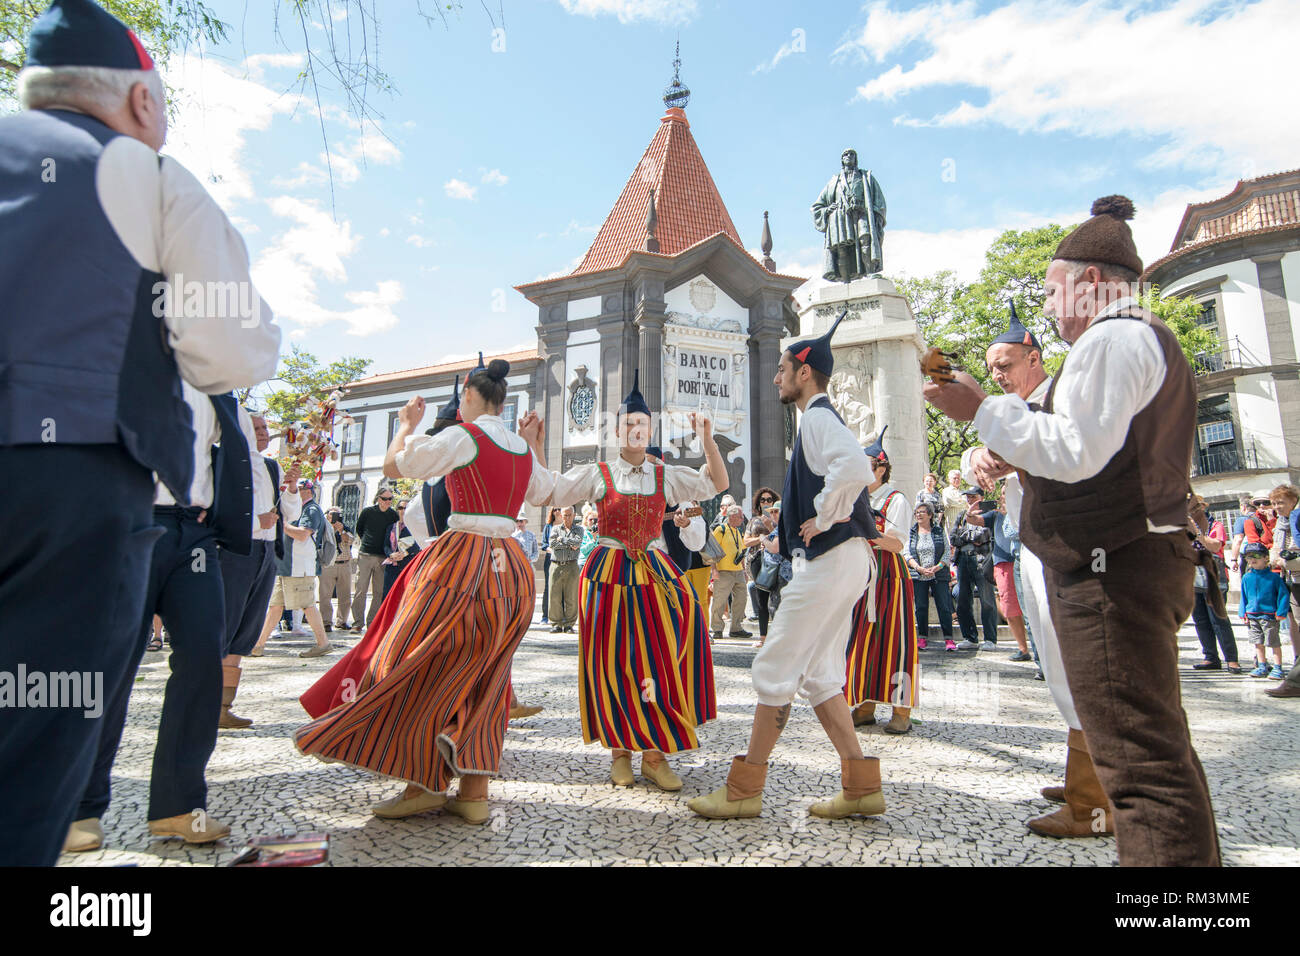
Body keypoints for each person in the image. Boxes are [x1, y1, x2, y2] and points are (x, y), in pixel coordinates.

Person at [0, 0, 282, 865]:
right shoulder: (151, 177)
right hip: (77, 483)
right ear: (144, 103)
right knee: (36, 731)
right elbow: (232, 348)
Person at [928, 195, 1219, 865]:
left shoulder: (1113, 338)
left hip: (1111, 567)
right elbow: (1085, 447)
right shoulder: (1132, 339)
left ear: (1089, 283)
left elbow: (1077, 452)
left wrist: (983, 409)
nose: (1052, 310)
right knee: (1157, 750)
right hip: (1125, 558)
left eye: (1054, 292)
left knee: (1139, 769)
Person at [296, 359, 554, 824]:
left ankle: (422, 781)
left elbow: (398, 464)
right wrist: (533, 445)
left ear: (470, 399)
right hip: (512, 570)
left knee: (411, 657)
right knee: (489, 672)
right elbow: (545, 493)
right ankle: (474, 792)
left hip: (461, 561)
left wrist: (406, 425)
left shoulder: (463, 435)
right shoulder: (519, 446)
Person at [690, 312, 887, 821]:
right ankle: (861, 784)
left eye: (781, 369)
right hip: (844, 561)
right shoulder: (816, 420)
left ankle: (743, 791)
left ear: (804, 372)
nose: (776, 377)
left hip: (831, 559)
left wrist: (823, 516)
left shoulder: (819, 418)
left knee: (775, 666)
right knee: (820, 675)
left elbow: (857, 467)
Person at [66, 386, 252, 853]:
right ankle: (80, 807)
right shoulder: (120, 358)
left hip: (193, 531)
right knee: (109, 668)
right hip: (124, 522)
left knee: (202, 664)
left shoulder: (218, 384)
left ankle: (177, 805)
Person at [525, 373, 727, 789]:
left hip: (655, 572)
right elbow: (545, 494)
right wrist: (535, 446)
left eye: (643, 426)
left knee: (659, 658)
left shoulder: (665, 475)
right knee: (613, 660)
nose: (636, 432)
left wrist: (707, 439)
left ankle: (654, 755)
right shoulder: (597, 473)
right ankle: (620, 752)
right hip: (607, 574)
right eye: (629, 425)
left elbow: (716, 484)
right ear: (616, 431)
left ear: (648, 432)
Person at [959, 307, 1112, 839]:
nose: (997, 375)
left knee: (1077, 662)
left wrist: (1014, 454)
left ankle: (1095, 800)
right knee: (1054, 658)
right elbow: (974, 459)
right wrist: (979, 455)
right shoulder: (1014, 407)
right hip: (1031, 540)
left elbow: (1072, 458)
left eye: (1005, 364)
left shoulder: (1060, 399)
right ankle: (1084, 775)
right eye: (991, 368)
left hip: (1066, 543)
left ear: (1034, 357)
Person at [845, 427, 919, 735]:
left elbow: (897, 543)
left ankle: (901, 710)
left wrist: (864, 532)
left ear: (882, 467)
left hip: (890, 578)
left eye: (867, 466)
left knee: (896, 643)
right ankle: (865, 705)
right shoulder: (855, 497)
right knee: (864, 642)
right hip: (862, 576)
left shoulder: (895, 499)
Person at [215, 409, 282, 731]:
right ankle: (207, 701)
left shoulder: (271, 466)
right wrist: (255, 523)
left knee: (247, 627)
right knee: (226, 624)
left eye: (265, 426)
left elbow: (285, 511)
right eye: (255, 427)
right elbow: (214, 507)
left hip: (266, 550)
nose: (262, 432)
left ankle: (224, 706)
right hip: (236, 551)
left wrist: (291, 491)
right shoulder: (222, 461)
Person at [963, 489, 1033, 660]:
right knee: (1010, 608)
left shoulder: (1027, 508)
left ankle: (1038, 649)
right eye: (1003, 493)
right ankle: (1023, 649)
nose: (1005, 496)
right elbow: (974, 520)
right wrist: (970, 511)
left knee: (1031, 607)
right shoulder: (995, 514)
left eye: (1007, 492)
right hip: (1003, 562)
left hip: (1026, 559)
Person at [1189, 495, 1241, 673]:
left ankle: (1232, 659)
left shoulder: (1214, 525)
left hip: (1213, 576)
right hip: (1192, 574)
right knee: (1200, 619)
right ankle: (1210, 657)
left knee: (1218, 619)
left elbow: (1215, 545)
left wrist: (1196, 531)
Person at [904, 503, 954, 651]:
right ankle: (922, 637)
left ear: (930, 515)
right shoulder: (912, 533)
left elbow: (946, 552)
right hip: (919, 575)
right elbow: (907, 554)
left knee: (944, 606)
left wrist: (937, 567)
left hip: (938, 574)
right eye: (917, 513)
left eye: (922, 512)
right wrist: (918, 568)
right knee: (920, 607)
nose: (919, 515)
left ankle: (949, 639)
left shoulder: (938, 531)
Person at [952, 489, 998, 649]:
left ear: (981, 498)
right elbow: (953, 537)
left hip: (982, 560)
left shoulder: (989, 515)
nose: (970, 500)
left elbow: (982, 537)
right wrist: (966, 537)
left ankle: (990, 639)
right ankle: (970, 637)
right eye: (968, 497)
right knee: (962, 599)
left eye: (974, 497)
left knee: (987, 600)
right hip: (963, 560)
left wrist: (963, 536)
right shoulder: (962, 515)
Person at [351, 489, 399, 631]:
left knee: (378, 592)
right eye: (385, 499)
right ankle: (357, 623)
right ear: (378, 498)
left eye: (390, 499)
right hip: (366, 554)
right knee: (361, 590)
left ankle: (372, 623)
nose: (388, 502)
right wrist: (367, 542)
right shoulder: (367, 512)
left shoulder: (393, 515)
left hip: (383, 557)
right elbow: (359, 529)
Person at [1240, 543, 1289, 679]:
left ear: (1266, 558)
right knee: (1258, 642)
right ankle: (1261, 666)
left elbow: (1283, 595)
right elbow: (1243, 597)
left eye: (1256, 555)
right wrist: (1243, 613)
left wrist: (1281, 612)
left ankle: (1278, 668)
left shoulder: (1274, 577)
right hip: (1252, 616)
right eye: (1248, 556)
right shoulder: (1246, 577)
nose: (1252, 559)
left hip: (1269, 616)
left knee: (1273, 642)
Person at [1267, 484, 1300, 665]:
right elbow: (1276, 548)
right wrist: (1276, 556)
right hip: (1288, 578)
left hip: (1295, 574)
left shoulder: (1298, 518)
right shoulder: (1280, 523)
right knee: (1293, 620)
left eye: (1280, 502)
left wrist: (1282, 561)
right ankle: (1297, 660)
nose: (1276, 507)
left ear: (1293, 501)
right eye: (1274, 503)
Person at [710, 505, 752, 641]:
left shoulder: (737, 531)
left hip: (738, 571)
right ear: (732, 517)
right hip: (723, 571)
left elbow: (740, 553)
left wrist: (744, 571)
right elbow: (712, 550)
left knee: (741, 599)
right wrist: (714, 570)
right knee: (720, 600)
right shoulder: (720, 530)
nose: (742, 519)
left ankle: (736, 628)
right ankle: (717, 629)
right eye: (740, 516)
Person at [547, 507, 583, 633]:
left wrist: (561, 539)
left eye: (569, 515)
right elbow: (552, 544)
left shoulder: (579, 529)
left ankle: (569, 624)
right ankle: (556, 623)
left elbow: (577, 542)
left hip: (572, 565)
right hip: (556, 565)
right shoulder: (555, 528)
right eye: (565, 515)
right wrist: (569, 544)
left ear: (574, 515)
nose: (567, 518)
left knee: (571, 596)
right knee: (554, 595)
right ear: (561, 516)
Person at [319, 509, 355, 632]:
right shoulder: (323, 527)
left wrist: (341, 530)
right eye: (331, 515)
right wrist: (330, 526)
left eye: (337, 515)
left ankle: (342, 621)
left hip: (344, 563)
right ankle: (326, 622)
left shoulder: (345, 528)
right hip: (328, 564)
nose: (334, 518)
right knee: (325, 595)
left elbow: (349, 540)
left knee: (345, 595)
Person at [380, 500, 419, 599]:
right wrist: (390, 555)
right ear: (397, 510)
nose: (403, 510)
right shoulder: (391, 527)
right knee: (388, 596)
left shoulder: (414, 527)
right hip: (392, 567)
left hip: (407, 565)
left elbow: (418, 544)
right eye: (401, 508)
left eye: (405, 508)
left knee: (404, 596)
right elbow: (386, 545)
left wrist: (405, 553)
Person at [540, 507, 560, 625]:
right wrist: (551, 550)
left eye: (559, 509)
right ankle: (545, 616)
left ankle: (560, 617)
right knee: (548, 587)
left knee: (561, 588)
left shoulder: (566, 527)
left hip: (563, 558)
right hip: (550, 558)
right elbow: (544, 544)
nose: (557, 511)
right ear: (552, 512)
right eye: (555, 509)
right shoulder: (548, 527)